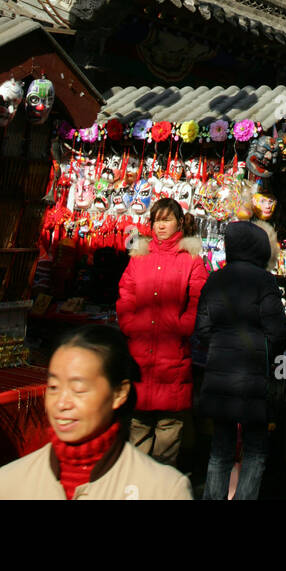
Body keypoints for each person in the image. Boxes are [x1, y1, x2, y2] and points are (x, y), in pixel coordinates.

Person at [0, 325, 192, 499]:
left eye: (79, 389)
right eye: (54, 387)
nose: (62, 403)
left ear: (119, 393)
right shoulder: (10, 482)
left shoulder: (162, 490)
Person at [194, 220, 286, 501]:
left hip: (220, 371)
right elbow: (277, 332)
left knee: (220, 448)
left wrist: (220, 347)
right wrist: (266, 353)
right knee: (256, 448)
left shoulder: (215, 279)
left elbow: (202, 329)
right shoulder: (265, 281)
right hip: (253, 374)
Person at [115, 197, 207, 464]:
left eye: (167, 220)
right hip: (140, 359)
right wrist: (131, 325)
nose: (161, 226)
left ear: (179, 222)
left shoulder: (191, 260)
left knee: (167, 440)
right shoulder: (139, 257)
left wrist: (182, 327)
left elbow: (199, 301)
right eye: (157, 220)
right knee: (137, 437)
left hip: (173, 359)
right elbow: (126, 293)